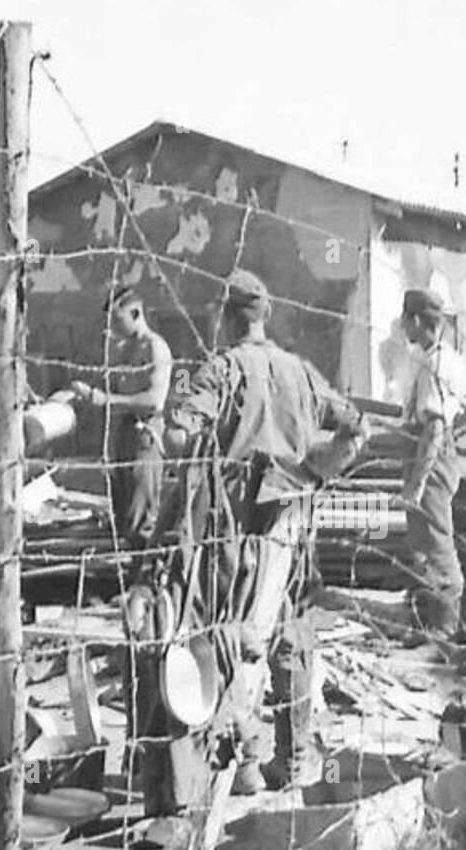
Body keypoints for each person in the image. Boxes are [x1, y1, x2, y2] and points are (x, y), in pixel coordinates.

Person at [166, 269, 365, 794]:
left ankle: (243, 761)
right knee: (290, 635)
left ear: (227, 315)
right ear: (265, 316)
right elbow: (355, 426)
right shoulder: (299, 372)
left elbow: (178, 431)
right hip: (294, 517)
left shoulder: (223, 369)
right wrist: (314, 470)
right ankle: (295, 758)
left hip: (236, 521)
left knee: (231, 634)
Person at [398, 289, 466, 639]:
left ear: (417, 321)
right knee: (421, 542)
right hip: (433, 452)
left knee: (435, 542)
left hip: (429, 457)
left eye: (406, 320)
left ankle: (446, 626)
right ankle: (427, 621)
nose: (403, 326)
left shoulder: (435, 365)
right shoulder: (446, 358)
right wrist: (453, 431)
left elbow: (434, 427)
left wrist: (416, 482)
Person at [71, 286, 173, 561]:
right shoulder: (125, 349)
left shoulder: (155, 348)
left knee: (141, 519)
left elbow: (153, 400)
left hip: (144, 438)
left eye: (118, 320)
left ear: (136, 313)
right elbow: (112, 388)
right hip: (122, 438)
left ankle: (143, 583)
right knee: (122, 517)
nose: (114, 328)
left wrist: (105, 400)